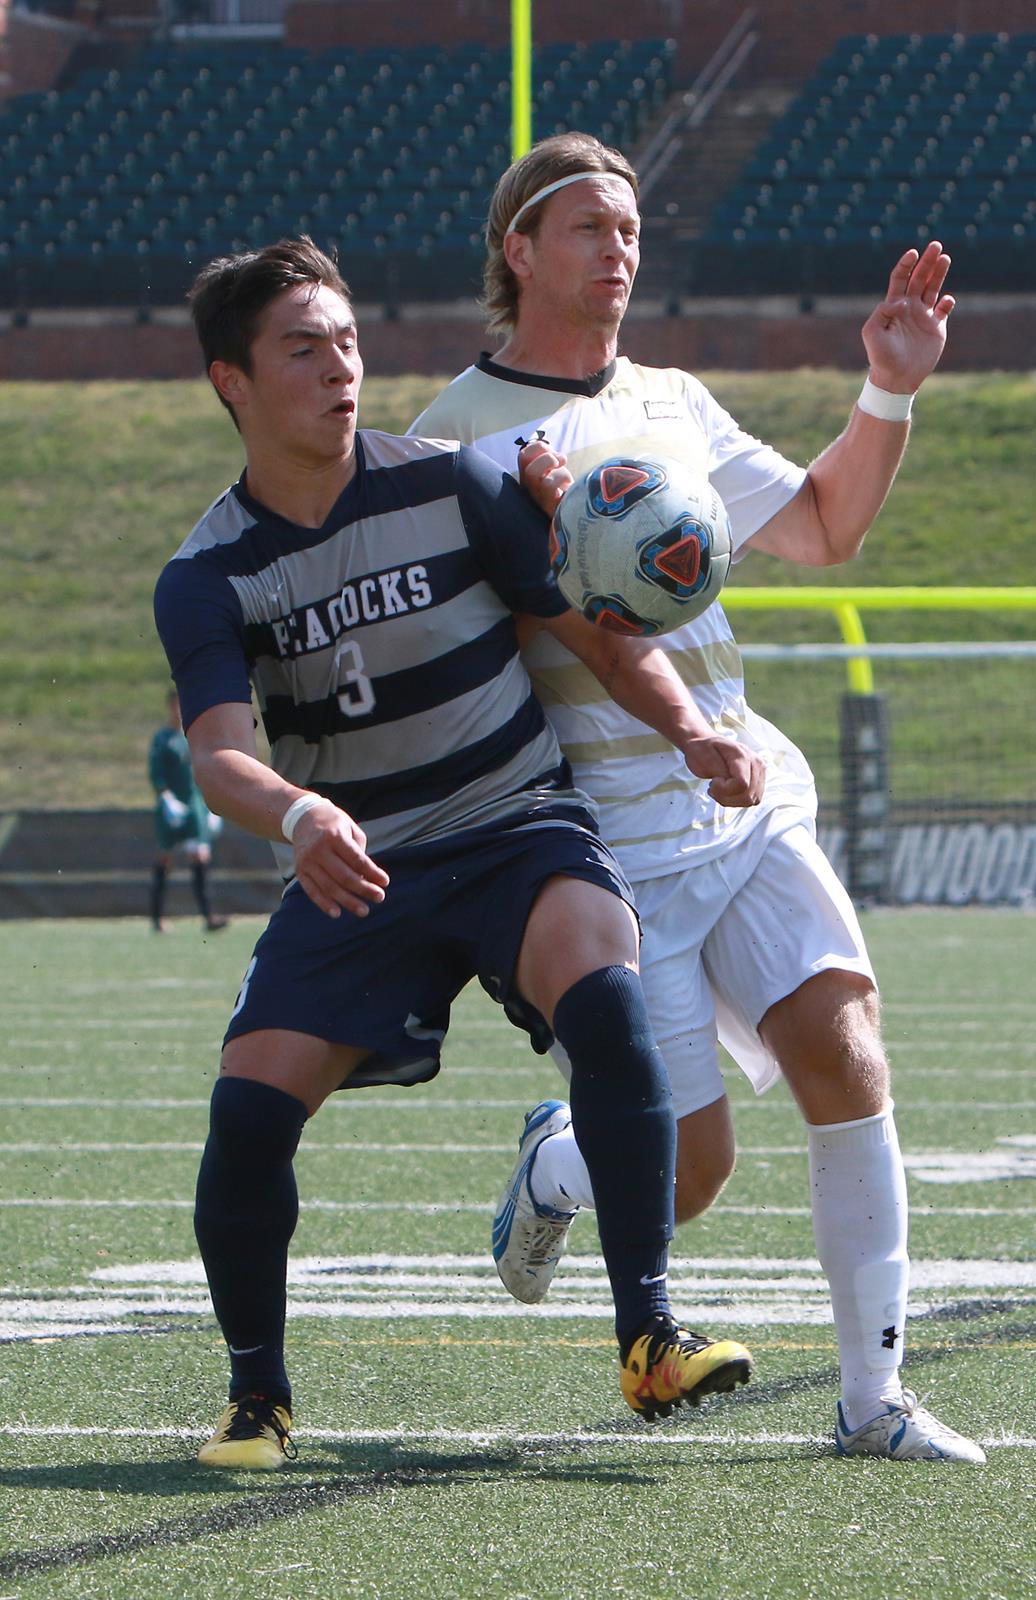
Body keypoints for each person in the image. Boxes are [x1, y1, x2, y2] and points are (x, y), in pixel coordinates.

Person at [409, 133, 986, 1464]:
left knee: (844, 1049)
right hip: (602, 847)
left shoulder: (668, 398)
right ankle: (560, 1161)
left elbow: (824, 527)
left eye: (628, 228)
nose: (617, 249)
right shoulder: (452, 436)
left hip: (738, 793)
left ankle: (873, 1401)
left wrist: (887, 390)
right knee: (689, 1171)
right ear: (518, 249)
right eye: (587, 227)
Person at [154, 236, 764, 1470]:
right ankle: (256, 1394)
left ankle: (649, 1335)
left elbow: (595, 637)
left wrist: (694, 731)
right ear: (231, 380)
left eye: (346, 341)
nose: (340, 367)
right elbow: (219, 755)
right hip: (359, 865)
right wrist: (301, 816)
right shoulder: (207, 571)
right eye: (302, 349)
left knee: (606, 995)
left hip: (514, 828)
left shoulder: (451, 482)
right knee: (246, 1115)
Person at [148, 687, 229, 934]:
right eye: (176, 704)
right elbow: (156, 771)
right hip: (171, 805)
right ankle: (157, 918)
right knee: (165, 857)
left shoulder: (195, 736)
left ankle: (208, 916)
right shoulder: (163, 738)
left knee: (200, 855)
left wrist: (211, 806)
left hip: (195, 805)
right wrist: (166, 797)